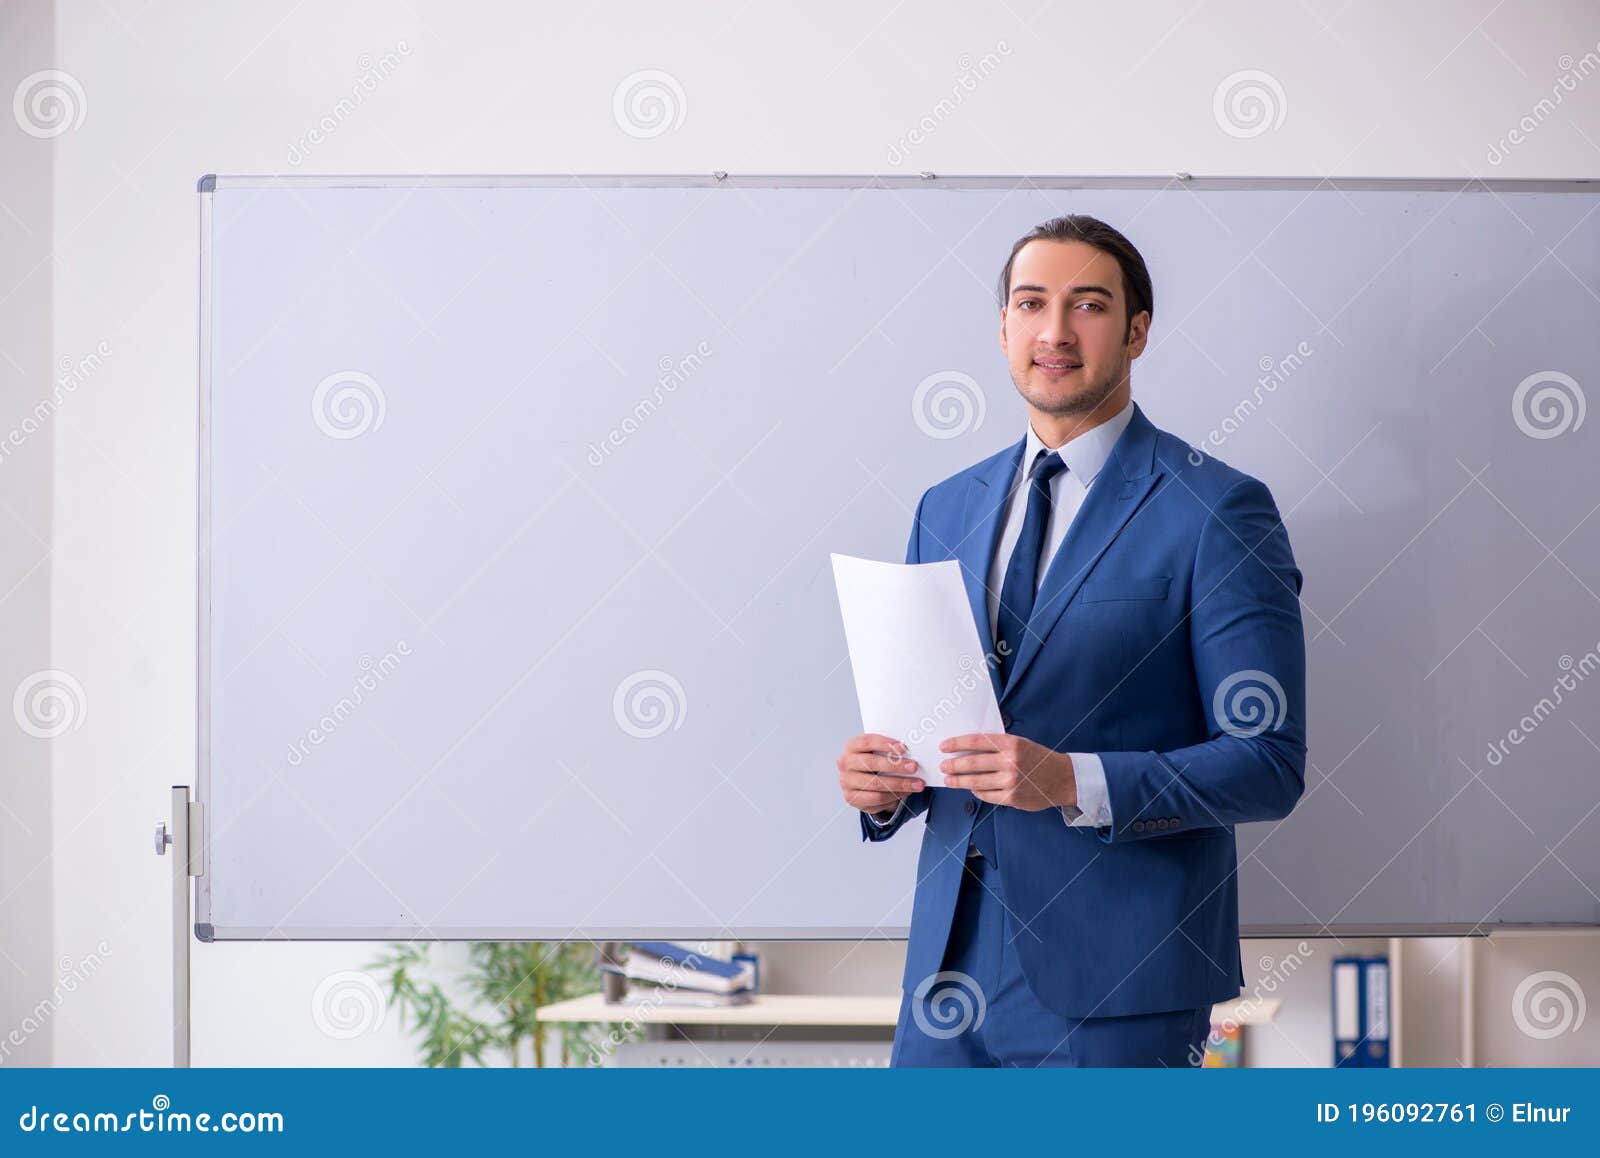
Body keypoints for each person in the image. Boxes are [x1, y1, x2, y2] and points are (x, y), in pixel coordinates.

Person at [837, 214, 1307, 1067]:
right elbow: (934, 730)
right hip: (945, 974)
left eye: (1087, 305)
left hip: (1120, 983)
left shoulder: (1215, 510)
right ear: (1004, 329)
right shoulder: (946, 506)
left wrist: (1069, 780)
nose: (1055, 331)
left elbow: (1269, 761)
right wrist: (885, 787)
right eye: (1031, 304)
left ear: (1136, 332)